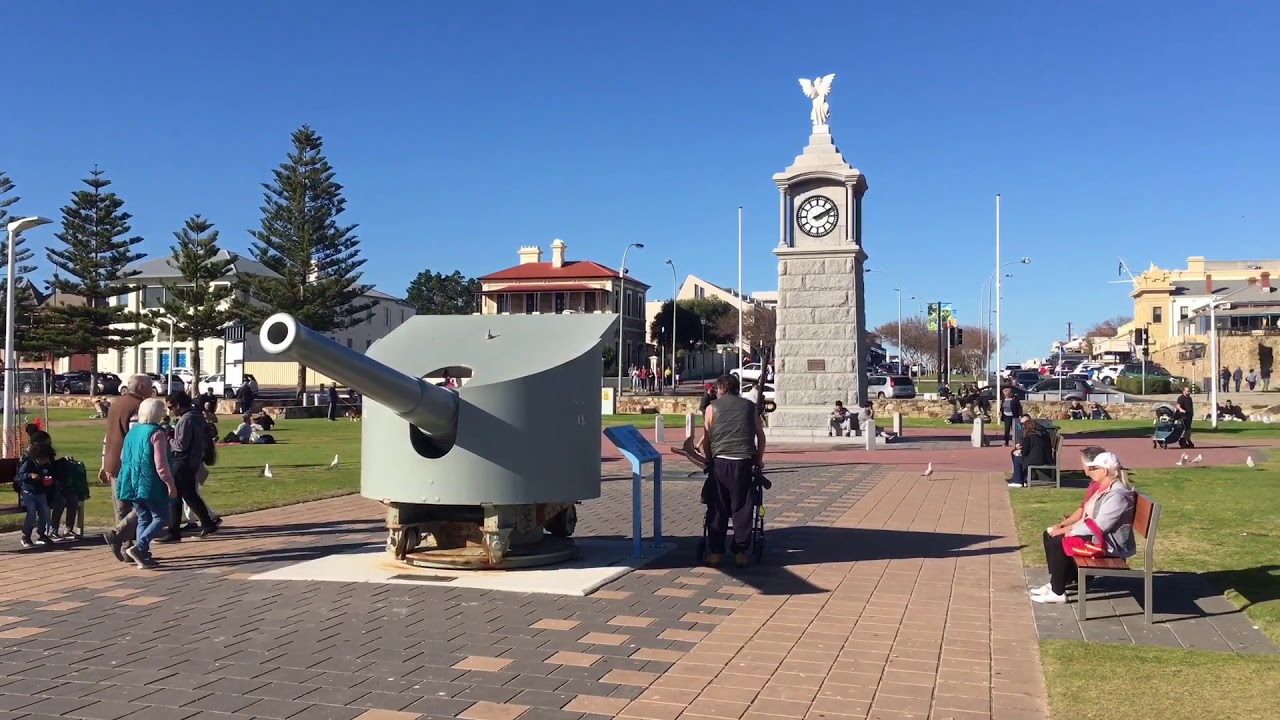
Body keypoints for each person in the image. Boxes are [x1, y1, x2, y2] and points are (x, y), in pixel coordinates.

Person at [1033, 451, 1136, 604]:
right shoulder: (1104, 488)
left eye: (1094, 468)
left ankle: (1058, 591)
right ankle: (1058, 582)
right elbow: (1088, 517)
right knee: (1052, 535)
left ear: (1105, 471)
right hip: (1098, 537)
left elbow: (1100, 526)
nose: (1090, 471)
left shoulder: (1117, 495)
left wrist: (1069, 531)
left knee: (1058, 541)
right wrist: (1066, 527)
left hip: (1109, 545)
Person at [699, 374, 766, 569]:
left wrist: (709, 459)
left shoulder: (711, 408)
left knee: (718, 506)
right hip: (743, 462)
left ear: (721, 388)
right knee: (742, 507)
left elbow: (706, 440)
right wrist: (759, 460)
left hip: (720, 462)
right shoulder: (749, 407)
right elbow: (760, 437)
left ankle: (716, 552)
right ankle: (741, 552)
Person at [115, 398, 179, 568]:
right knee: (161, 516)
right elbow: (161, 464)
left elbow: (122, 457)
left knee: (143, 517)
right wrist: (170, 485)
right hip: (150, 481)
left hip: (131, 480)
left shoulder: (132, 432)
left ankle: (143, 554)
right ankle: (140, 547)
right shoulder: (157, 434)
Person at [101, 373, 152, 561]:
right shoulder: (139, 407)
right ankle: (120, 536)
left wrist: (103, 461)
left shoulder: (116, 404)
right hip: (130, 463)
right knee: (144, 505)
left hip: (113, 461)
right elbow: (136, 437)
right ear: (141, 388)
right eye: (149, 386)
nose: (152, 390)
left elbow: (109, 435)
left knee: (121, 507)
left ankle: (125, 546)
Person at [161, 391, 219, 541]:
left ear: (179, 405)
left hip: (182, 462)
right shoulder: (197, 416)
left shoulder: (186, 419)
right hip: (193, 461)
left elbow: (181, 445)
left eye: (171, 407)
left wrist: (168, 438)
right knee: (189, 495)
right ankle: (207, 523)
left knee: (174, 496)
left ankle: (173, 531)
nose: (170, 411)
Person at [15, 444, 56, 548]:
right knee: (31, 514)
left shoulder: (47, 465)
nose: (44, 461)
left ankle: (41, 534)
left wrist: (50, 481)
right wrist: (30, 475)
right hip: (28, 492)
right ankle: (26, 535)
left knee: (45, 512)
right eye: (41, 459)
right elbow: (18, 477)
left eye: (46, 458)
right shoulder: (28, 464)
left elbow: (50, 476)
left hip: (41, 493)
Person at [1009, 419, 1052, 488]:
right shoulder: (1044, 435)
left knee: (1017, 459)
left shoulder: (1028, 437)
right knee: (1022, 459)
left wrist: (1019, 451)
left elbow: (1024, 452)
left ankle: (1018, 481)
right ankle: (1024, 480)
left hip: (1035, 460)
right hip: (1046, 458)